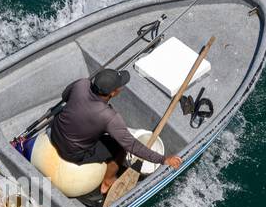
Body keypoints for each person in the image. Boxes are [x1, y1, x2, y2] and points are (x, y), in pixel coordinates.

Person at [48, 68, 182, 195]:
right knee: (120, 148)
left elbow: (65, 96)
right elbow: (132, 145)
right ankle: (108, 181)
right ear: (113, 93)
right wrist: (163, 160)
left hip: (55, 132)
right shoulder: (109, 117)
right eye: (120, 86)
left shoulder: (82, 84)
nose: (122, 87)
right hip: (72, 153)